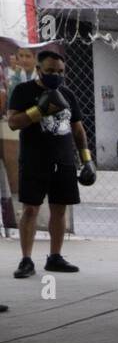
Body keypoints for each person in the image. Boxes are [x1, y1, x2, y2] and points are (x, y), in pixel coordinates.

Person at [5, 50, 95, 279]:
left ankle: (55, 257)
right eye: (50, 71)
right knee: (31, 209)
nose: (56, 75)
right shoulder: (23, 91)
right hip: (34, 159)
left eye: (60, 71)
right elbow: (14, 122)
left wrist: (87, 160)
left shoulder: (67, 94)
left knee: (60, 208)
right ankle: (26, 260)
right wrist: (39, 110)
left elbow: (77, 129)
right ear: (38, 69)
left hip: (63, 160)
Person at [2, 47, 39, 224]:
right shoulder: (16, 77)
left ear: (35, 58)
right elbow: (12, 102)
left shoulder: (40, 77)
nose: (24, 60)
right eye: (21, 56)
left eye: (27, 56)